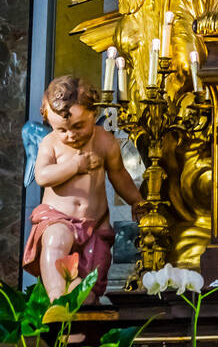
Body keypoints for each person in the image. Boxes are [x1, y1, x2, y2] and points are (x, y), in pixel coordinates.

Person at [22, 76, 143, 300]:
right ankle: (58, 297)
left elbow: (119, 175)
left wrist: (136, 200)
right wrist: (75, 165)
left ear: (94, 114)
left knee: (93, 278)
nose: (70, 135)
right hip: (58, 218)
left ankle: (84, 313)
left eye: (78, 126)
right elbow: (42, 176)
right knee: (55, 244)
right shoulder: (50, 143)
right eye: (62, 129)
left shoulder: (105, 142)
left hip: (95, 225)